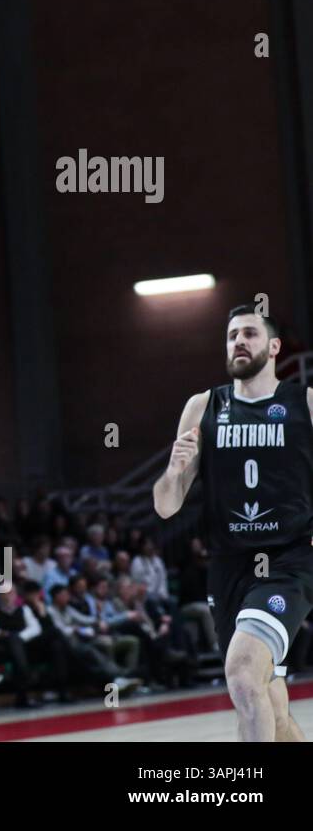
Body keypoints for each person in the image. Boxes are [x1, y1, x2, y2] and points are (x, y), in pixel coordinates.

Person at [153, 303, 313, 740]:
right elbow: (166, 506)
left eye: (249, 334)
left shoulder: (305, 404)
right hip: (227, 566)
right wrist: (173, 470)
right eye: (231, 336)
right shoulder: (203, 406)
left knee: (242, 674)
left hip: (288, 561)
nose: (238, 342)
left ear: (275, 346)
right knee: (268, 704)